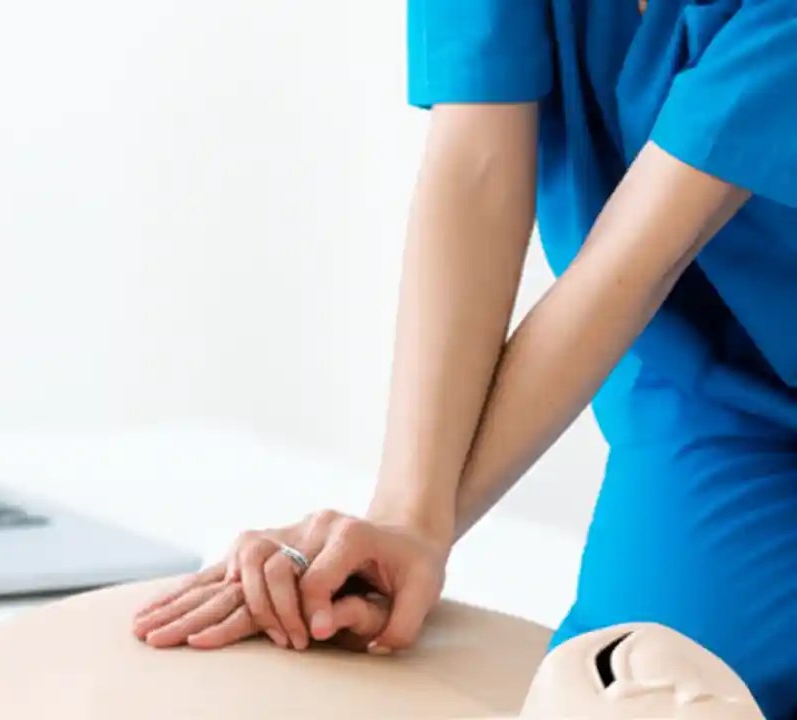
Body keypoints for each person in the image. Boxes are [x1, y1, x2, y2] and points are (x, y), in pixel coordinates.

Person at [134, 0, 797, 716]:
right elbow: (478, 164)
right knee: (619, 691)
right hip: (720, 400)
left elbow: (645, 250)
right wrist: (401, 522)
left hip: (666, 295)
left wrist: (411, 530)